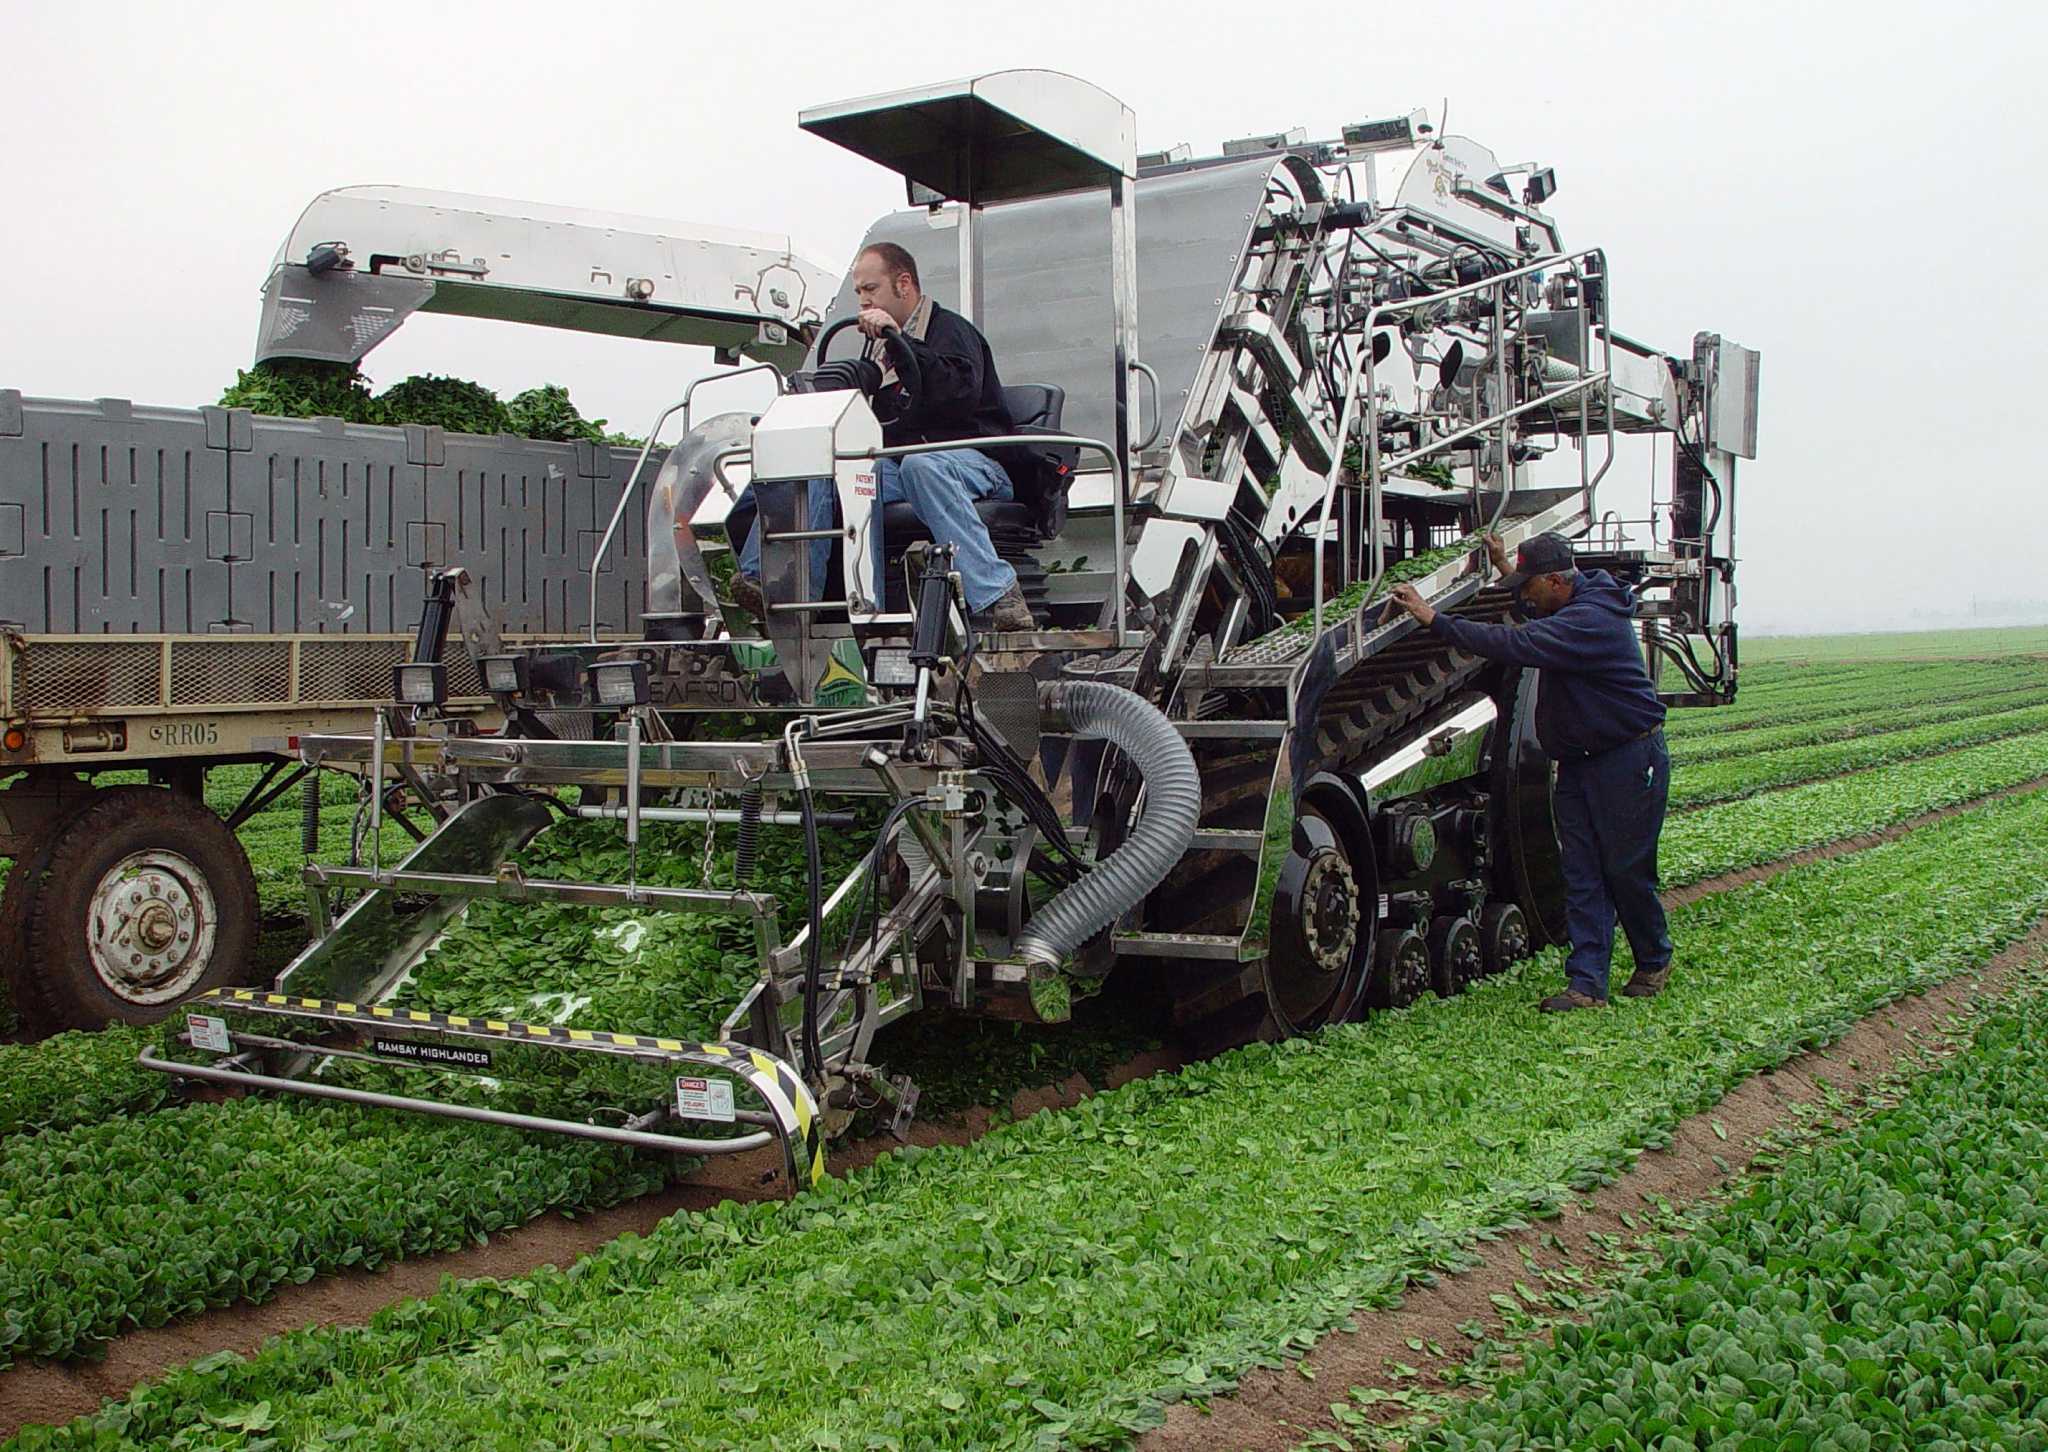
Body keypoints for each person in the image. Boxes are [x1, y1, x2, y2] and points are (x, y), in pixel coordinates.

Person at [1383, 531, 1673, 1013]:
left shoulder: (1591, 622)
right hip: (1581, 763)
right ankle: (1587, 986)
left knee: (1624, 869)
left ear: (1557, 581)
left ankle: (1653, 958)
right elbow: (1534, 612)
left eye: (1529, 585)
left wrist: (1431, 617)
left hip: (1627, 760)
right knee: (1580, 872)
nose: (1523, 594)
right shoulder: (1570, 605)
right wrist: (1503, 569)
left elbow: (1512, 641)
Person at [729, 242, 1036, 632]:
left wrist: (902, 343)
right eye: (858, 292)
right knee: (829, 471)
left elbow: (957, 397)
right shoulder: (879, 349)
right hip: (903, 464)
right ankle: (787, 593)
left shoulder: (952, 332)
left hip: (973, 460)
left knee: (921, 465)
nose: (862, 300)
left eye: (870, 289)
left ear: (903, 284)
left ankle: (998, 594)